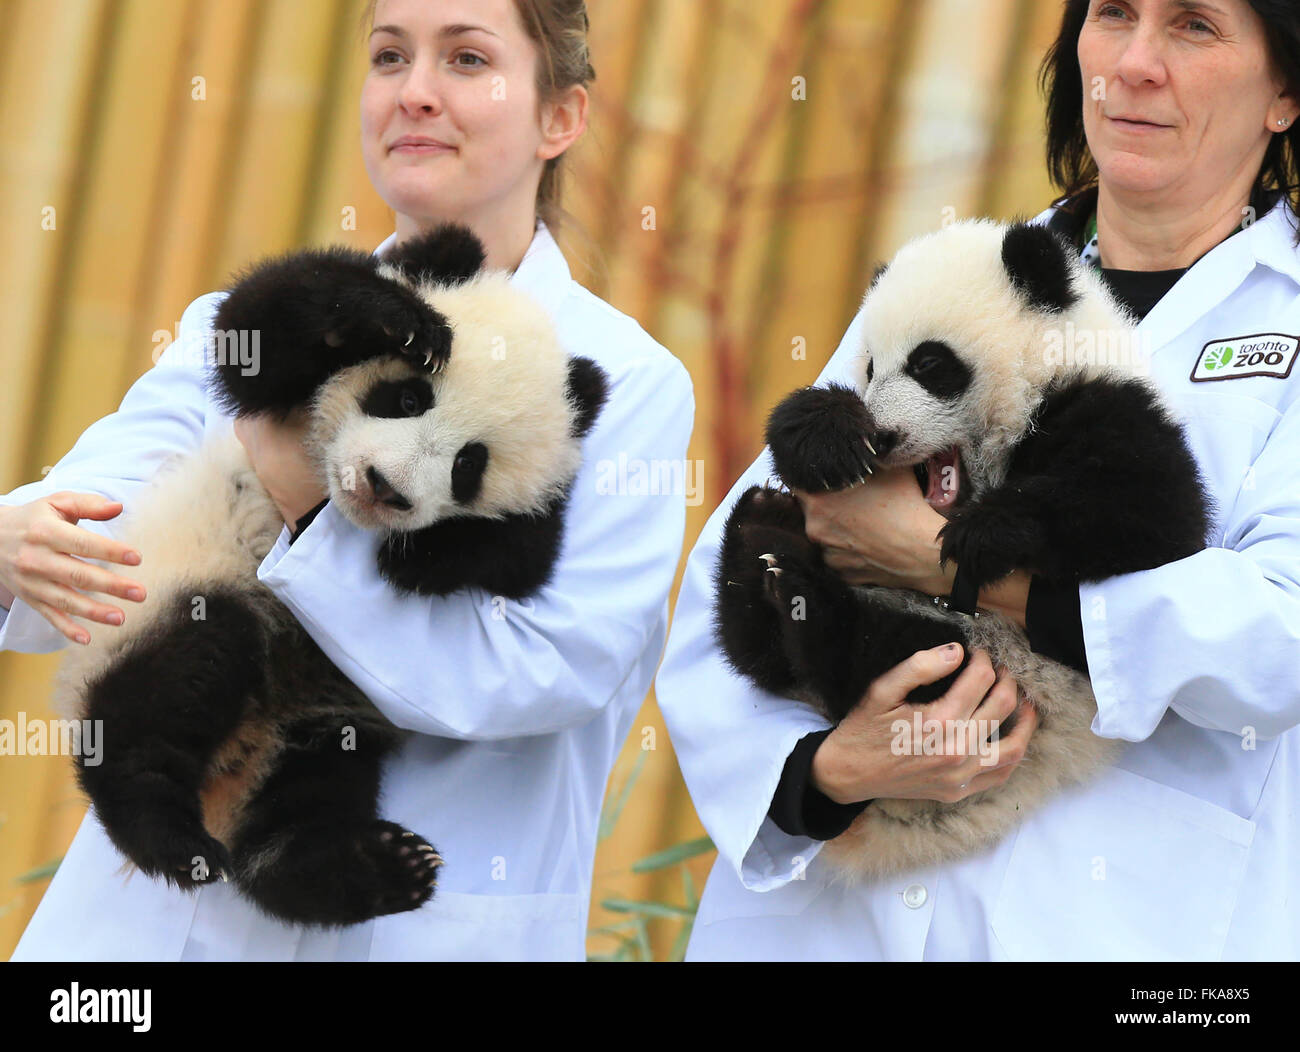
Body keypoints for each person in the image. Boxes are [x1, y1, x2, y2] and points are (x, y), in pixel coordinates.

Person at [1, 0, 694, 961]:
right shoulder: (244, 324)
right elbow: (94, 531)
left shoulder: (622, 384)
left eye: (466, 58)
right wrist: (14, 543)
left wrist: (312, 506)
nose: (414, 92)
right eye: (387, 56)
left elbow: (548, 668)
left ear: (559, 117)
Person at [657, 0, 1300, 961]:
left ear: (1285, 90)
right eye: (1113, 12)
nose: (1132, 63)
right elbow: (740, 571)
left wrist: (954, 569)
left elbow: (1280, 636)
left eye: (1194, 26)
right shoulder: (953, 283)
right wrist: (827, 773)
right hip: (837, 927)